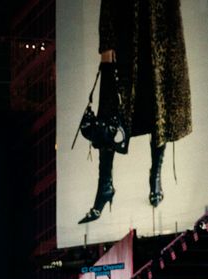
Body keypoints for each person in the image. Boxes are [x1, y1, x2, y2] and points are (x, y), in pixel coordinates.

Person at [78, 0, 191, 224]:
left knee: (158, 110)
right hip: (123, 33)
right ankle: (105, 186)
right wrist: (106, 45)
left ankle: (155, 176)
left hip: (159, 33)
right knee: (110, 115)